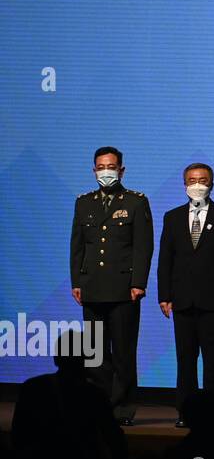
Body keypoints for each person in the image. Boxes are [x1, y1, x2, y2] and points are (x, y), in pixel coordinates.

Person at [69, 145, 153, 425]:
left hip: (123, 289)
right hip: (92, 287)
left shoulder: (135, 202)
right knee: (94, 352)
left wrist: (138, 282)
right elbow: (77, 246)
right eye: (101, 167)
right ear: (94, 170)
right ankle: (98, 405)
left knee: (124, 352)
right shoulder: (84, 202)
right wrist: (76, 282)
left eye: (111, 166)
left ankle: (123, 408)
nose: (106, 172)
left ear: (121, 169)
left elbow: (143, 247)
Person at [157, 162, 214, 427]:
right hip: (182, 301)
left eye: (202, 180)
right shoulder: (172, 218)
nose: (197, 185)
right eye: (192, 180)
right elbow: (165, 260)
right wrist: (164, 295)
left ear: (212, 184)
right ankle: (185, 412)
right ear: (184, 185)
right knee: (185, 361)